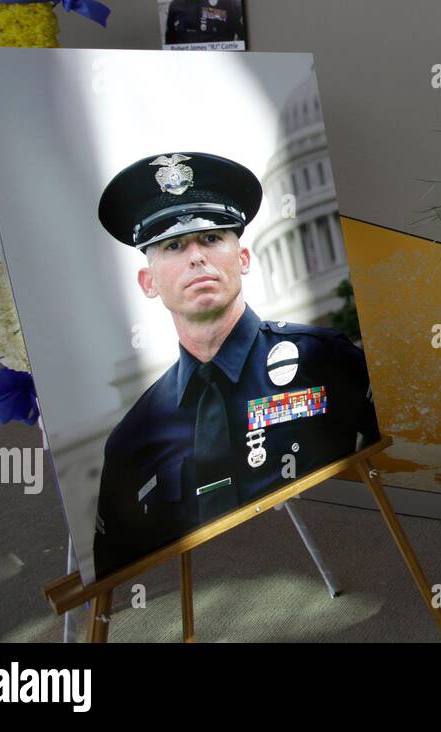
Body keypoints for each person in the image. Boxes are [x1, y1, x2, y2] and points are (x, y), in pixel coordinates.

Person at [92, 152, 379, 577]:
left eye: (210, 239)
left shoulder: (325, 358)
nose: (196, 257)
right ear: (148, 283)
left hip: (351, 561)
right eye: (173, 246)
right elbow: (117, 565)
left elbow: (400, 462)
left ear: (242, 259)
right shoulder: (133, 437)